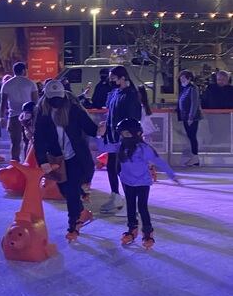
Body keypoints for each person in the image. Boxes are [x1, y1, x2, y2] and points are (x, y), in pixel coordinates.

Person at [33, 79, 99, 241]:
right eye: (53, 99)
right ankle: (82, 213)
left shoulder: (74, 109)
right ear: (47, 98)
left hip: (75, 156)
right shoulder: (42, 113)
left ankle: (73, 225)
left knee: (71, 191)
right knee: (64, 190)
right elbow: (39, 139)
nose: (56, 103)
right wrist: (43, 161)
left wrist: (101, 130)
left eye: (59, 99)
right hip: (57, 158)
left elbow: (90, 128)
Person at [97, 118, 178, 248]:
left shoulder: (144, 148)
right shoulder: (120, 147)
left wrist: (171, 175)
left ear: (137, 133)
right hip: (127, 181)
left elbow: (159, 161)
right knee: (130, 206)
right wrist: (100, 135)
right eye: (123, 134)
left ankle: (147, 231)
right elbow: (104, 147)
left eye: (128, 134)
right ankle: (132, 228)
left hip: (142, 183)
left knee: (142, 207)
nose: (125, 137)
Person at [100, 65, 142, 213]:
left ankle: (130, 198)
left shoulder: (130, 94)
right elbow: (112, 112)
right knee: (112, 166)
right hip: (112, 135)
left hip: (123, 137)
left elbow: (133, 117)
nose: (111, 81)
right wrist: (106, 125)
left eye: (113, 78)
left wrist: (129, 136)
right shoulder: (116, 93)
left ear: (123, 78)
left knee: (122, 168)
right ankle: (116, 195)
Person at [0, 62, 38, 162]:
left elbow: (3, 103)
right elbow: (35, 101)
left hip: (13, 116)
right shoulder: (30, 83)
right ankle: (27, 162)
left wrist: (1, 117)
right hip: (28, 116)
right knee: (28, 141)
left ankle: (15, 164)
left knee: (15, 142)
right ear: (23, 70)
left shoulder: (7, 84)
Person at [177, 70, 202, 166]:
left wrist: (191, 117)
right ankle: (193, 156)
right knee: (189, 136)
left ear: (189, 78)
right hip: (185, 116)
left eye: (183, 78)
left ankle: (195, 157)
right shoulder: (184, 88)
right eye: (181, 78)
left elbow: (194, 103)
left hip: (192, 118)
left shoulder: (192, 88)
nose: (181, 79)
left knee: (192, 136)